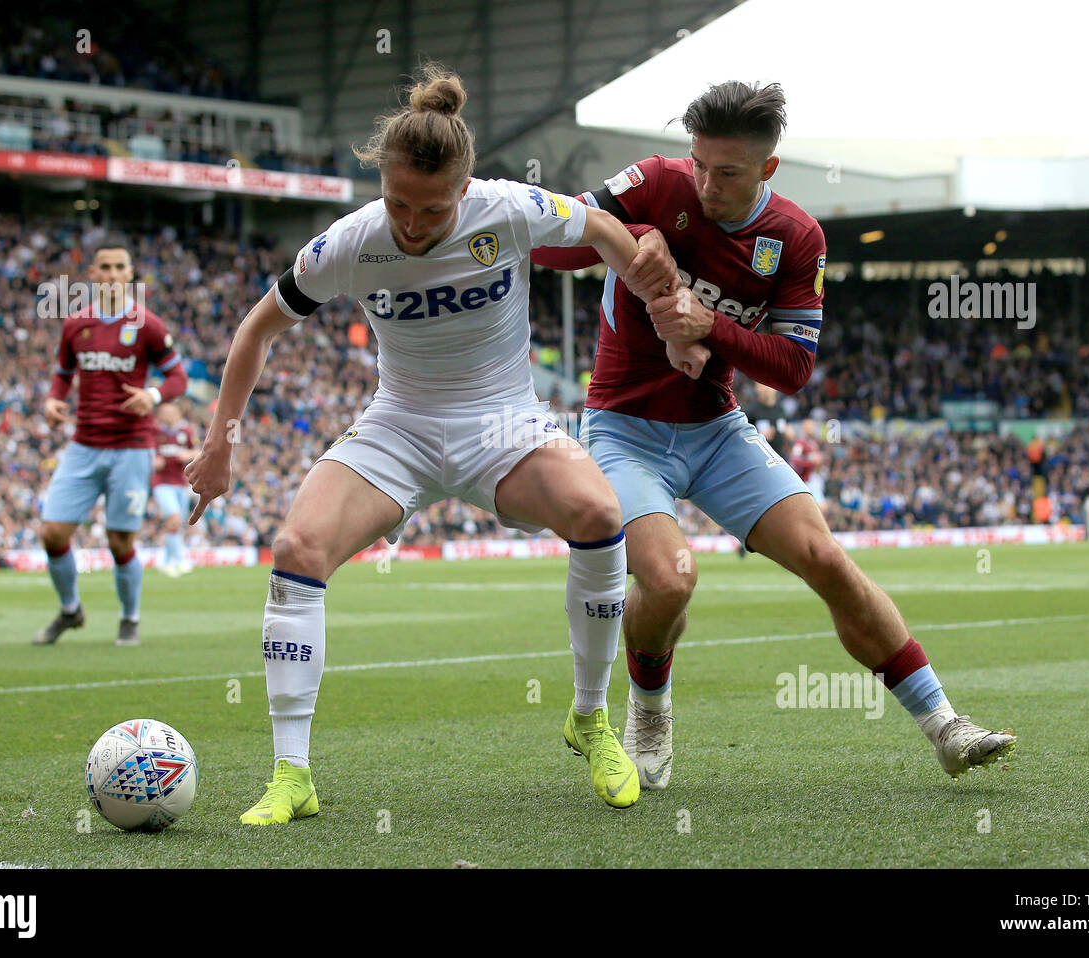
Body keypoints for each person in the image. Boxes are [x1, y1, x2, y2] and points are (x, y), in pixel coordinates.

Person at [186, 65, 704, 820]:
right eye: (398, 202)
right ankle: (291, 777)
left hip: (504, 423)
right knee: (298, 547)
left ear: (464, 192)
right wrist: (220, 443)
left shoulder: (510, 208)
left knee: (597, 513)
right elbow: (258, 328)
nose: (412, 223)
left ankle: (590, 717)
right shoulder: (353, 241)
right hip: (399, 424)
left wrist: (660, 296)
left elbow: (599, 232)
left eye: (431, 209)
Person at [531, 80, 1015, 788]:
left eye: (725, 172)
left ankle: (944, 725)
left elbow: (792, 368)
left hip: (716, 429)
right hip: (623, 429)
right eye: (698, 163)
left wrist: (712, 327)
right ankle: (650, 710)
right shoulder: (656, 185)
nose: (704, 184)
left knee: (825, 555)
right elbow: (548, 245)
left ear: (768, 169)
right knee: (670, 580)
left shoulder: (795, 237)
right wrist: (639, 237)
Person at [35, 239, 188, 647]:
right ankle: (71, 611)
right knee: (52, 533)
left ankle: (129, 618)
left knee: (120, 540)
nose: (112, 274)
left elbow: (178, 379)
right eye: (104, 267)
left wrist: (151, 396)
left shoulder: (148, 326)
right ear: (93, 273)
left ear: (130, 273)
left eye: (120, 267)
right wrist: (53, 400)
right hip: (83, 443)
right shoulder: (75, 325)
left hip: (133, 447)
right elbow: (62, 372)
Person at [151, 402, 198, 576]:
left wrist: (188, 455)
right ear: (160, 415)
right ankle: (177, 560)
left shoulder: (185, 432)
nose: (170, 415)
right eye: (166, 412)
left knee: (177, 524)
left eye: (173, 412)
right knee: (174, 518)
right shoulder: (155, 432)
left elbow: (197, 451)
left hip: (180, 482)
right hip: (161, 483)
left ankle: (165, 560)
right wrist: (153, 463)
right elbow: (147, 454)